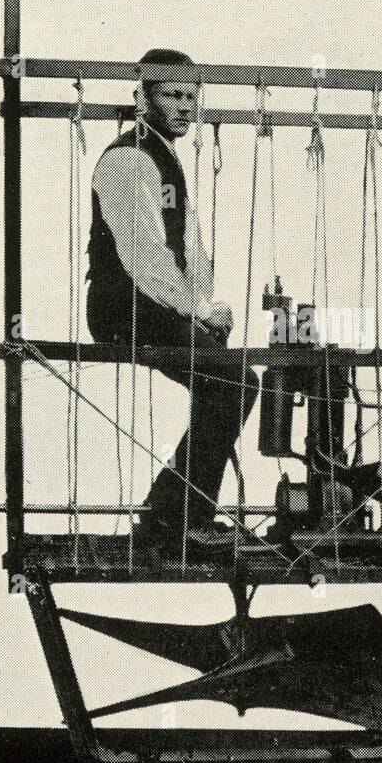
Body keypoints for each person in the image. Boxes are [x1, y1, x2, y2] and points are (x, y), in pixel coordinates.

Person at [85, 48, 259, 547]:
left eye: (192, 97)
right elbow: (145, 257)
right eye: (172, 95)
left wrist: (203, 305)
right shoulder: (127, 159)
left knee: (231, 382)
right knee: (235, 382)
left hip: (155, 305)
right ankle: (178, 516)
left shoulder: (163, 156)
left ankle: (171, 511)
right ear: (141, 97)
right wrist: (196, 308)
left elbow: (188, 249)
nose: (185, 107)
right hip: (125, 307)